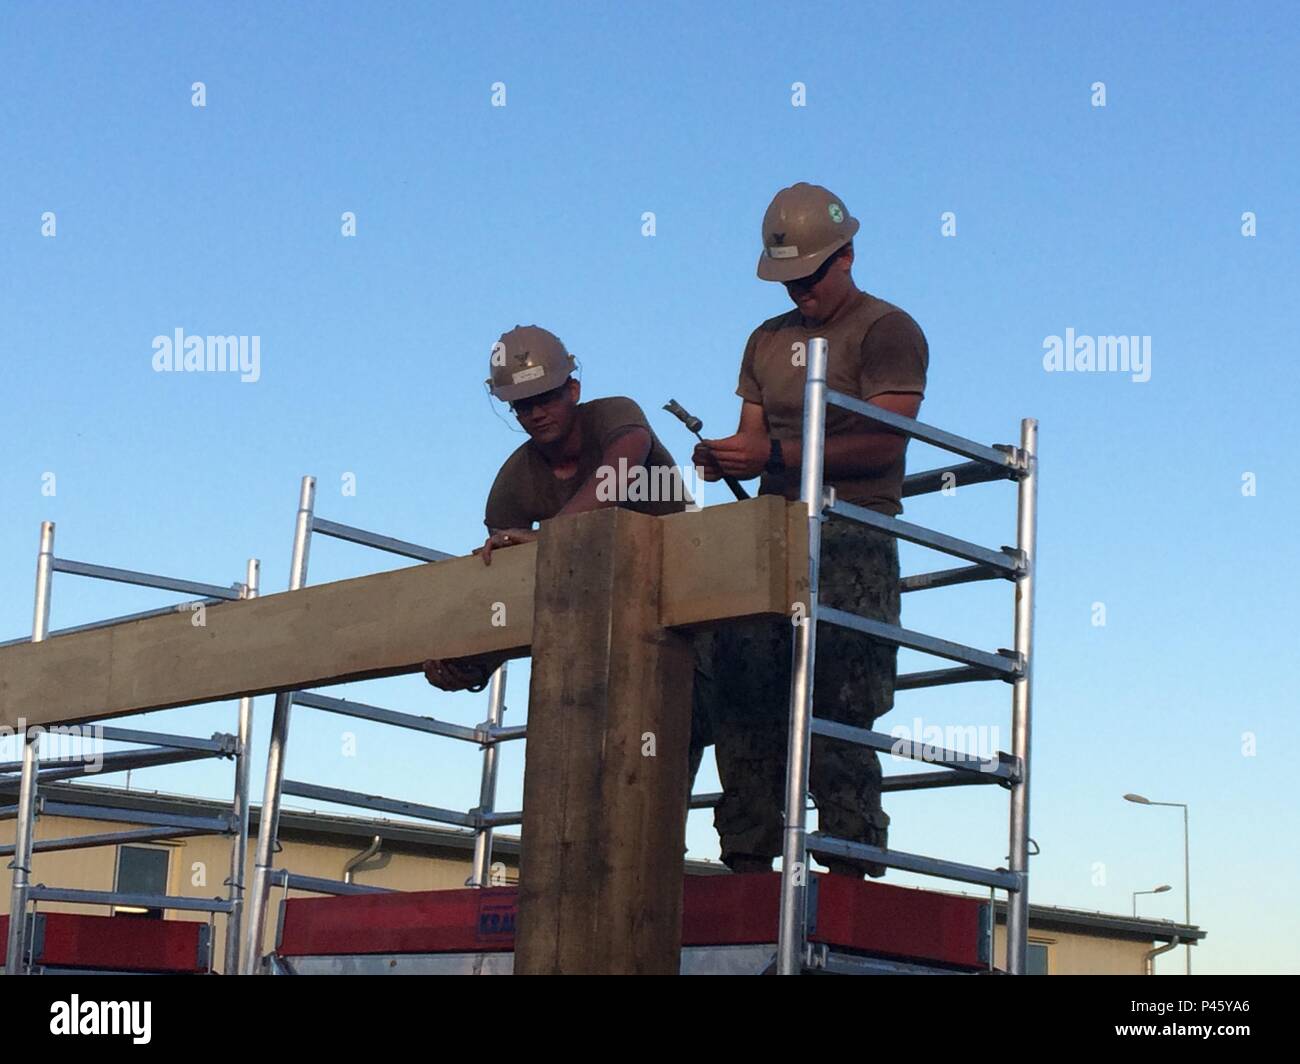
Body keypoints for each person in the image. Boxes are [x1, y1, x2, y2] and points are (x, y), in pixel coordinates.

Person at [692, 182, 929, 878]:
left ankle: (850, 866)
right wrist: (729, 458)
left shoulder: (887, 330)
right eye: (788, 281)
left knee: (840, 704)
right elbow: (751, 437)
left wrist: (770, 456)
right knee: (746, 698)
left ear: (848, 256)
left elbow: (887, 443)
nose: (799, 294)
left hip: (853, 536)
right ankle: (746, 862)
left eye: (810, 277)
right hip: (773, 540)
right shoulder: (765, 341)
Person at [421, 325, 714, 805]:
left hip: (688, 621)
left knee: (695, 770)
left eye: (547, 397)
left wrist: (545, 538)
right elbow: (514, 591)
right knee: (590, 791)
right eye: (521, 404)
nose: (536, 413)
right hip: (595, 641)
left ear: (572, 390)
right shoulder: (514, 483)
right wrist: (472, 661)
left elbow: (623, 463)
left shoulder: (615, 417)